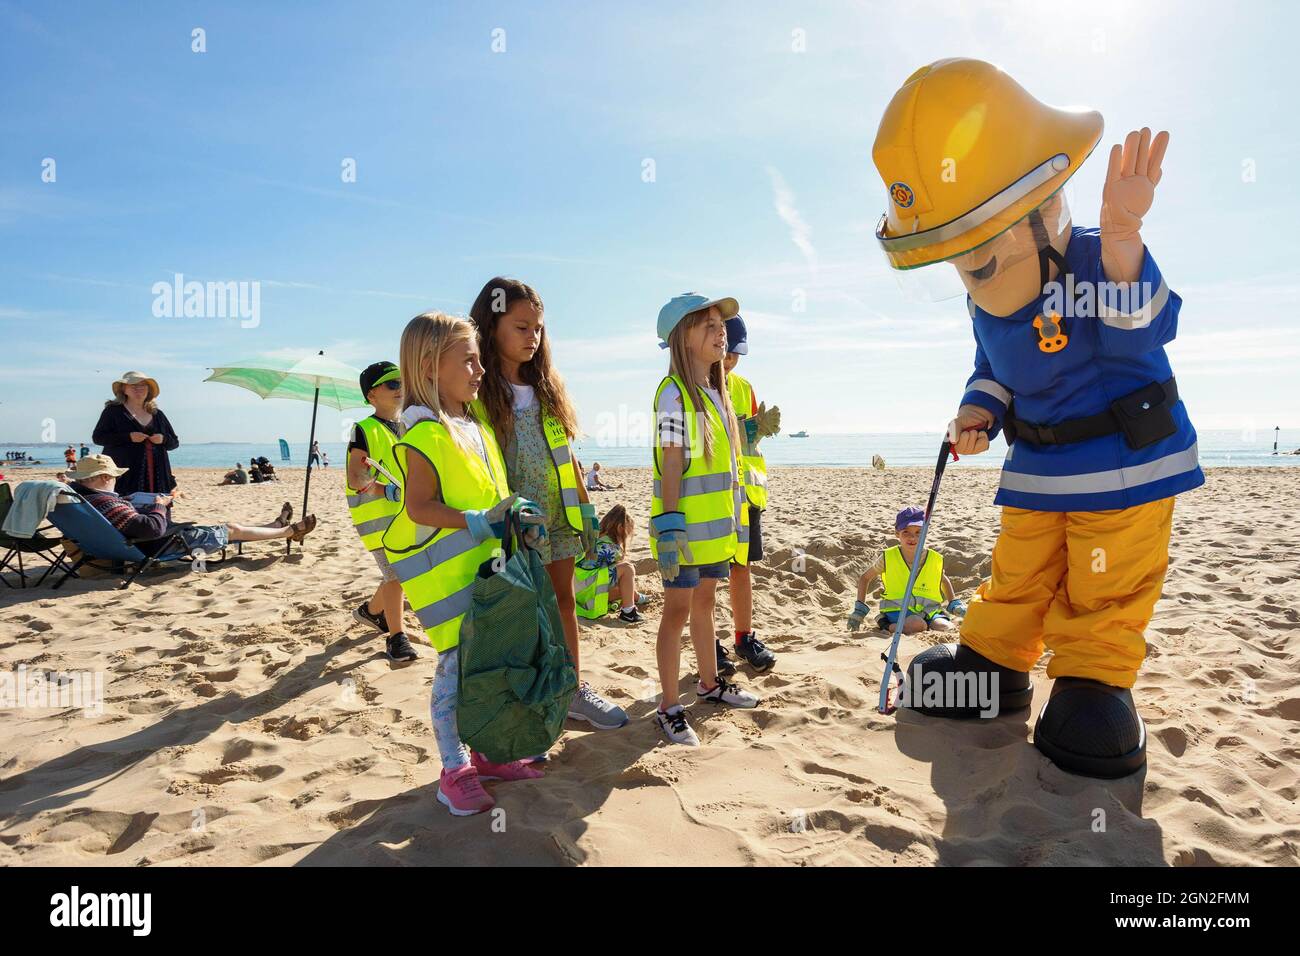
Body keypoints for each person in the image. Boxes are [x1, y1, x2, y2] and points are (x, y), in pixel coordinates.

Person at [870, 59, 1203, 777]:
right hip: (1037, 472)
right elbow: (992, 367)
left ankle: (1092, 682)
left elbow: (1141, 327)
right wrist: (976, 414)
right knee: (1017, 573)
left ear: (1042, 215)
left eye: (982, 263)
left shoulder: (1093, 263)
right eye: (960, 269)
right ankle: (992, 666)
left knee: (1104, 583)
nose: (975, 285)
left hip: (1122, 466)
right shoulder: (985, 306)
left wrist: (1121, 240)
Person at [382, 312, 547, 817]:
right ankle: (453, 770)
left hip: (491, 573)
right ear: (430, 366)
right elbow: (418, 507)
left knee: (490, 667)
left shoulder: (473, 425)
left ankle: (489, 754)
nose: (479, 370)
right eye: (468, 360)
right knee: (455, 672)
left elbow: (492, 491)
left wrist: (514, 515)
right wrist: (477, 522)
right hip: (453, 582)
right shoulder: (426, 432)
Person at [469, 277, 628, 732]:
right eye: (521, 327)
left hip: (558, 518)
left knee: (563, 603)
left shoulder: (545, 387)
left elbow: (568, 457)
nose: (532, 338)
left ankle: (572, 688)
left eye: (538, 328)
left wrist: (587, 510)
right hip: (514, 523)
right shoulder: (480, 391)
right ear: (491, 325)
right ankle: (521, 702)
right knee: (518, 614)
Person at [650, 293, 762, 747]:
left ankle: (710, 684)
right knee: (676, 611)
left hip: (715, 531)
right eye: (710, 326)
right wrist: (672, 524)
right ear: (683, 337)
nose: (722, 333)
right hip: (684, 530)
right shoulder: (673, 394)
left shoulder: (717, 392)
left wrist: (735, 522)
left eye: (722, 325)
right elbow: (672, 463)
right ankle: (668, 706)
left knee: (705, 604)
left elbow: (728, 469)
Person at [67, 454, 315, 558]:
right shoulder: (106, 501)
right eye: (113, 476)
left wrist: (130, 502)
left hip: (142, 543)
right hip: (159, 544)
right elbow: (150, 529)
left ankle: (274, 525)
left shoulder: (87, 498)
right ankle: (288, 532)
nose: (116, 479)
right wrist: (160, 505)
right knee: (230, 529)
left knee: (227, 529)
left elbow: (125, 522)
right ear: (103, 478)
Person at [720, 314, 780, 675]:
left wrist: (759, 428)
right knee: (709, 575)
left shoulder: (743, 386)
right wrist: (745, 429)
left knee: (741, 569)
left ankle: (744, 638)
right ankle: (711, 644)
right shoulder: (694, 385)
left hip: (747, 494)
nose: (729, 360)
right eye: (726, 351)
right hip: (713, 496)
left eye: (735, 354)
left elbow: (750, 443)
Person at [346, 360, 417, 663]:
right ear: (371, 396)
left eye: (401, 382)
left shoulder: (409, 426)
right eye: (392, 384)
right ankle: (396, 638)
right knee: (398, 574)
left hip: (406, 514)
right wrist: (386, 489)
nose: (400, 389)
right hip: (377, 520)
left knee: (400, 573)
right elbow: (355, 478)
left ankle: (372, 611)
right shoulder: (364, 429)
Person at [847, 507, 965, 634]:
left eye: (918, 532)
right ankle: (885, 624)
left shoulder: (933, 558)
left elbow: (943, 580)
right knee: (917, 624)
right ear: (897, 533)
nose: (912, 537)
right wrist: (859, 609)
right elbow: (865, 578)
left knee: (948, 628)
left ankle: (925, 624)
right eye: (906, 532)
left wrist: (953, 603)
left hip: (929, 611)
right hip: (897, 611)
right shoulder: (889, 557)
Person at [92, 371, 180, 495]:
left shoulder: (157, 414)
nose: (139, 389)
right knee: (126, 511)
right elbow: (98, 438)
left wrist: (163, 439)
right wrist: (128, 437)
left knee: (157, 509)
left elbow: (174, 443)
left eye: (143, 385)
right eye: (133, 386)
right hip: (124, 475)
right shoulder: (113, 412)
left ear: (148, 390)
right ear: (124, 389)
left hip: (158, 475)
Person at [575, 504, 649, 624]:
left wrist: (638, 596)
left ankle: (636, 600)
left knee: (624, 589)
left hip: (579, 589)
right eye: (628, 532)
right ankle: (628, 613)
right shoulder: (610, 547)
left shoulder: (595, 538)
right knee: (627, 569)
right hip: (586, 589)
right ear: (620, 528)